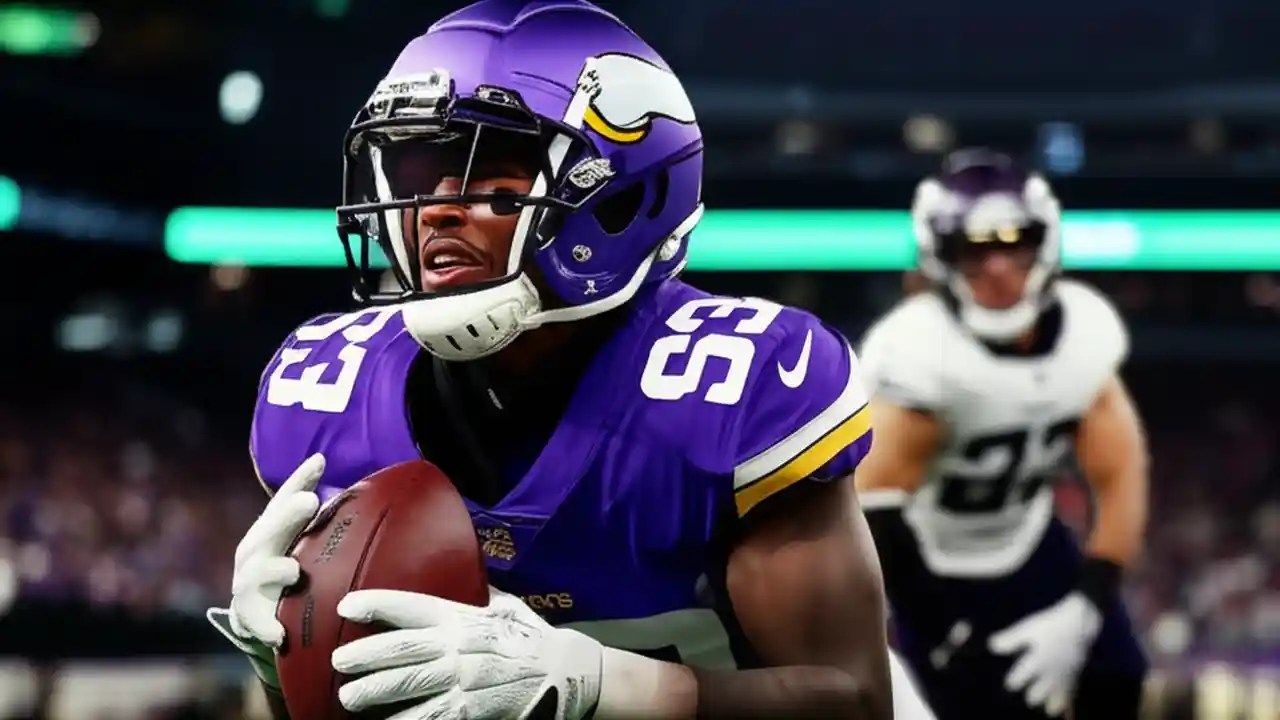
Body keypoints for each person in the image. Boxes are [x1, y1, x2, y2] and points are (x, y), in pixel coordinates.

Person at [206, 1, 935, 718]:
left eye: (491, 174)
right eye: (416, 172)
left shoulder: (738, 388)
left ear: (624, 195)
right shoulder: (328, 396)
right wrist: (282, 663)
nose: (433, 208)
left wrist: (601, 685)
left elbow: (853, 701)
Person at [855, 148, 1150, 718]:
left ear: (1046, 243)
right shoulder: (917, 351)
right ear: (939, 256)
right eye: (975, 249)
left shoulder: (1085, 333)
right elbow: (876, 506)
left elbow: (1120, 474)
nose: (998, 267)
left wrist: (1087, 605)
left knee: (1119, 675)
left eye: (1014, 243)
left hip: (1028, 538)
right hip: (932, 563)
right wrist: (943, 630)